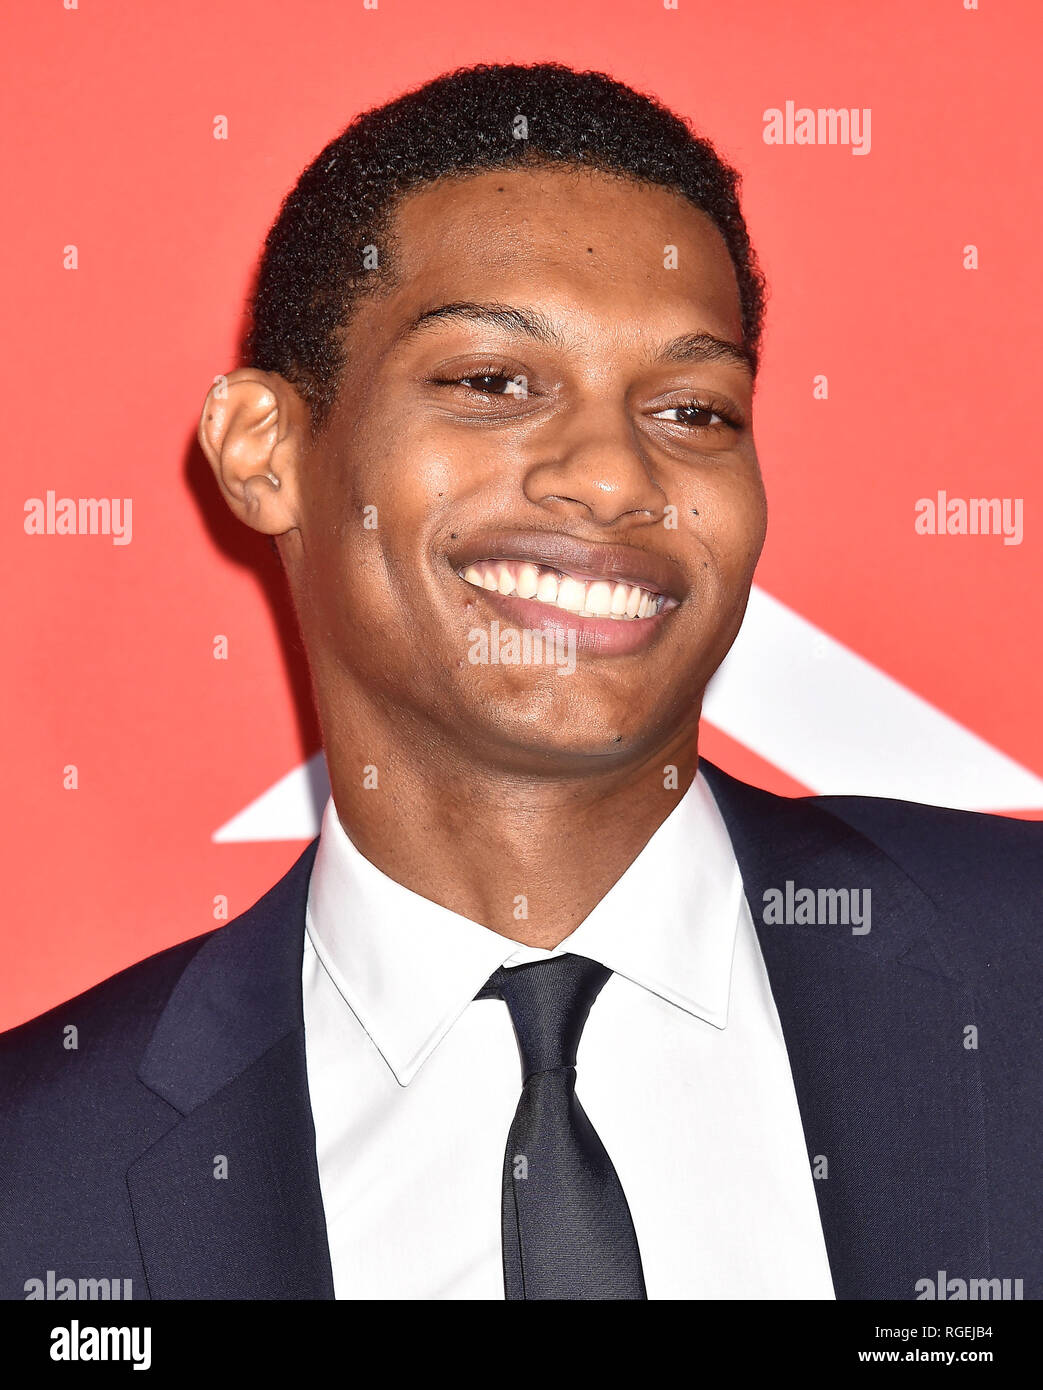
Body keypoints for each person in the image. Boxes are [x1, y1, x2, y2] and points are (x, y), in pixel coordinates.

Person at [2, 62, 1039, 1302]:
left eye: (694, 408)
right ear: (263, 451)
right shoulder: (37, 1175)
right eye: (492, 382)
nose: (611, 475)